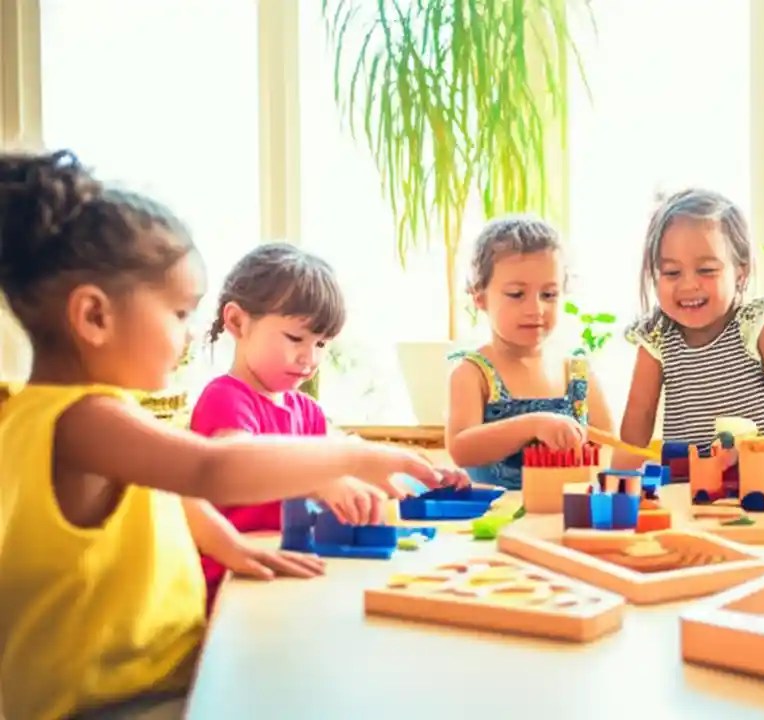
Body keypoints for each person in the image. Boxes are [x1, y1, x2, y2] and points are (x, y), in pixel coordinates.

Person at [0, 150, 453, 720]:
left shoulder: (59, 413)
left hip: (150, 678)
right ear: (94, 317)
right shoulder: (86, 420)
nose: (191, 337)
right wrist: (356, 455)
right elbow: (210, 469)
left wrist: (229, 546)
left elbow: (175, 496)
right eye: (179, 314)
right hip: (112, 702)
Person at [189, 242, 417, 610]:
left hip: (290, 570)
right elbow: (241, 467)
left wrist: (399, 477)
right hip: (234, 582)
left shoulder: (306, 410)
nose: (309, 359)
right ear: (237, 322)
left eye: (322, 344)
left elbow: (345, 468)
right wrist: (318, 480)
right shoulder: (225, 399)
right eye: (295, 338)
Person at [619, 188, 764, 485]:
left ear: (741, 272)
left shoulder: (758, 323)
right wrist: (624, 477)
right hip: (689, 482)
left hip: (762, 475)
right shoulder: (657, 337)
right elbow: (636, 427)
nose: (688, 285)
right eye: (671, 272)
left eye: (706, 270)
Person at [446, 215, 614, 488]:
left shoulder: (578, 373)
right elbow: (461, 449)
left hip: (569, 514)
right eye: (516, 294)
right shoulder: (473, 372)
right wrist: (533, 425)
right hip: (498, 519)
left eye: (549, 295)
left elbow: (608, 443)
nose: (535, 309)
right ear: (480, 297)